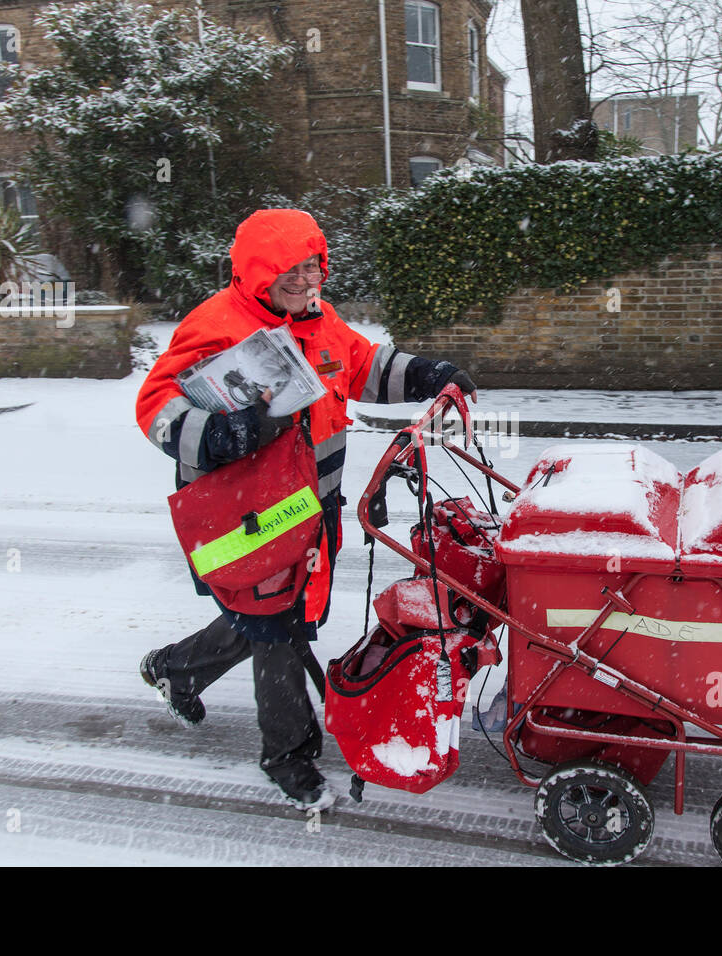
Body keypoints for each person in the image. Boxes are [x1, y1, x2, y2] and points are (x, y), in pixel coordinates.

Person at [134, 208, 476, 811]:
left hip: (312, 505)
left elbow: (365, 365)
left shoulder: (319, 319)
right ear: (257, 273)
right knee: (276, 627)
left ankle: (177, 669)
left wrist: (428, 373)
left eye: (311, 265)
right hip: (244, 511)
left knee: (276, 616)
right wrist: (220, 434)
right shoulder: (216, 325)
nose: (302, 278)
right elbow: (155, 408)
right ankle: (287, 754)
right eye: (287, 269)